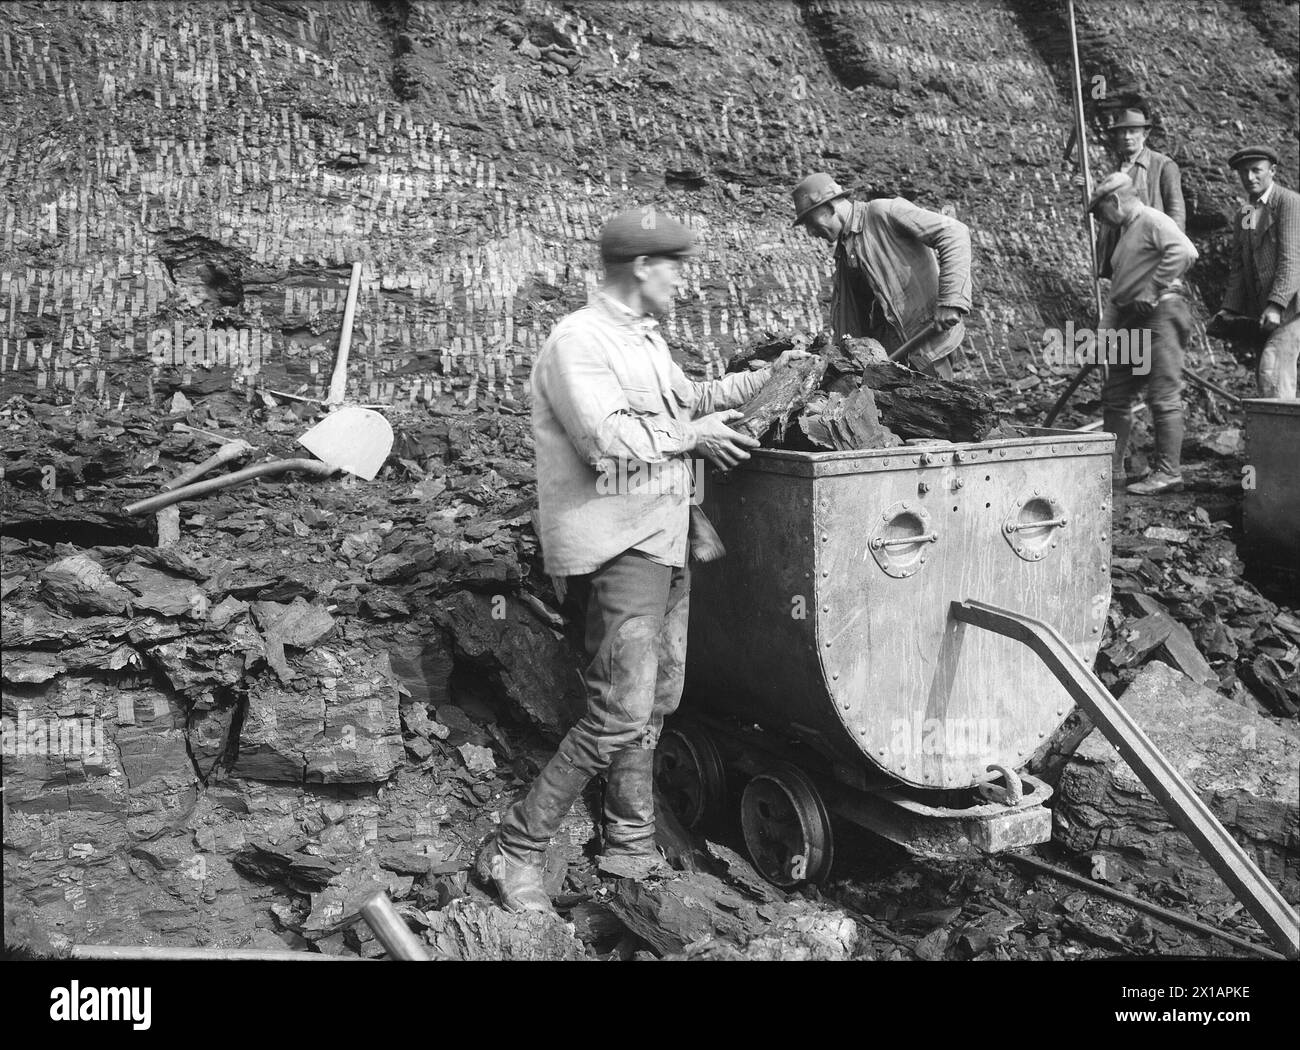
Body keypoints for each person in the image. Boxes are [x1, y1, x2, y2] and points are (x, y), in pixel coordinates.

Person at [475, 207, 810, 913]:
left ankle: (628, 843)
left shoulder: (644, 341)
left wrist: (763, 380)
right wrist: (694, 435)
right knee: (620, 710)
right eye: (675, 267)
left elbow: (689, 403)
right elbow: (607, 439)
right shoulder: (578, 341)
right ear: (641, 268)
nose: (683, 282)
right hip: (613, 543)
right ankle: (515, 849)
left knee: (656, 700)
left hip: (663, 537)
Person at [790, 172, 972, 379]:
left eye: (810, 222)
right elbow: (850, 318)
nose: (811, 232)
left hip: (927, 347)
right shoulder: (845, 249)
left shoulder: (883, 212)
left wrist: (951, 301)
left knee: (942, 407)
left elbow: (955, 233)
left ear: (830, 207)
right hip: (894, 359)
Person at [1091, 172, 1199, 495]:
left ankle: (1169, 472)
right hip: (1132, 322)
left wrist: (1152, 289)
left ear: (1115, 201)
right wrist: (1101, 339)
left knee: (1162, 394)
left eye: (1100, 212)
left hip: (1161, 314)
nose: (1100, 219)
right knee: (1116, 393)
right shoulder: (1124, 238)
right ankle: (1112, 470)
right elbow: (1116, 298)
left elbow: (1186, 252)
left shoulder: (1153, 220)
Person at [1210, 145, 1300, 399]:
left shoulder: (1288, 203)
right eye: (1243, 173)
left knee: (1273, 373)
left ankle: (1282, 436)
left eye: (1256, 171)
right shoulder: (1246, 213)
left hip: (1291, 309)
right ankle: (1273, 436)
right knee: (1266, 380)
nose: (1250, 178)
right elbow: (1240, 265)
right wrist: (1230, 308)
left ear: (1272, 171)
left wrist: (1277, 304)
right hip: (1262, 314)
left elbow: (1292, 259)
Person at [1095, 105, 1185, 279]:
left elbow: (1176, 214)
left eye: (1133, 131)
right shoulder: (1116, 172)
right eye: (1122, 132)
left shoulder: (1163, 166)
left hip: (1152, 256)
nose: (1127, 137)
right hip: (1123, 259)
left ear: (1145, 134)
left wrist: (1171, 259)